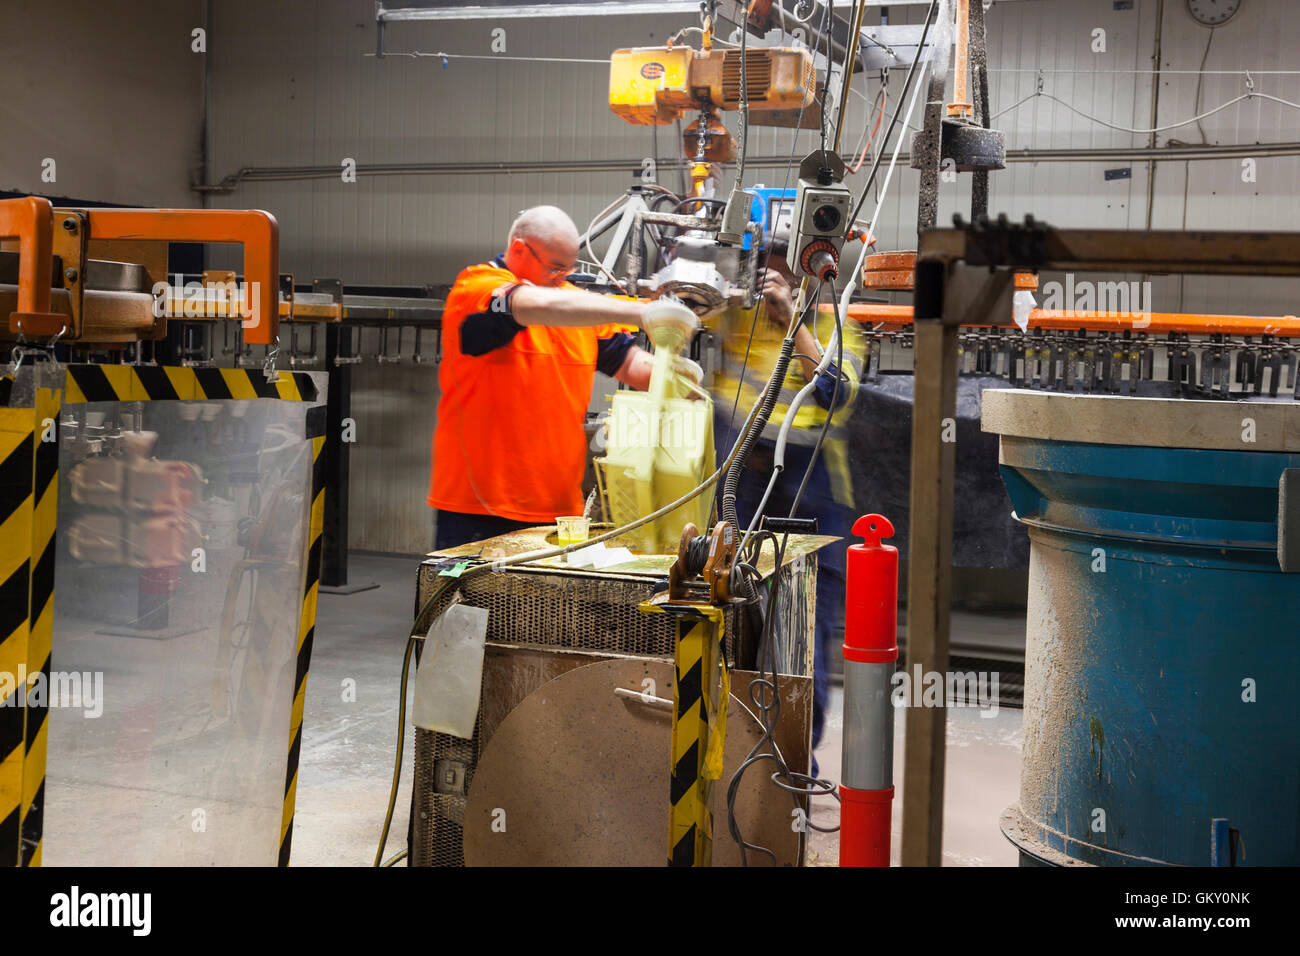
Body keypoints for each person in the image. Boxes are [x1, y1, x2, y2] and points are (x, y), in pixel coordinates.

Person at [711, 230, 868, 776]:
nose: (772, 283)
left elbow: (835, 397)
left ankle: (796, 762)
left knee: (804, 637)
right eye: (766, 271)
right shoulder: (735, 318)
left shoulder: (835, 329)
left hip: (810, 502)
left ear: (813, 276)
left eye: (785, 273)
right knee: (735, 627)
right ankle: (733, 755)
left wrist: (792, 322)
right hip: (743, 496)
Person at [428, 205, 656, 550]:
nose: (563, 277)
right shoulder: (476, 287)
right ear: (519, 249)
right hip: (478, 507)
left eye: (569, 269)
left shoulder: (574, 303)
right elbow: (525, 306)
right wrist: (640, 310)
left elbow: (631, 365)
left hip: (557, 509)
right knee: (468, 605)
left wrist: (683, 376)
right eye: (556, 267)